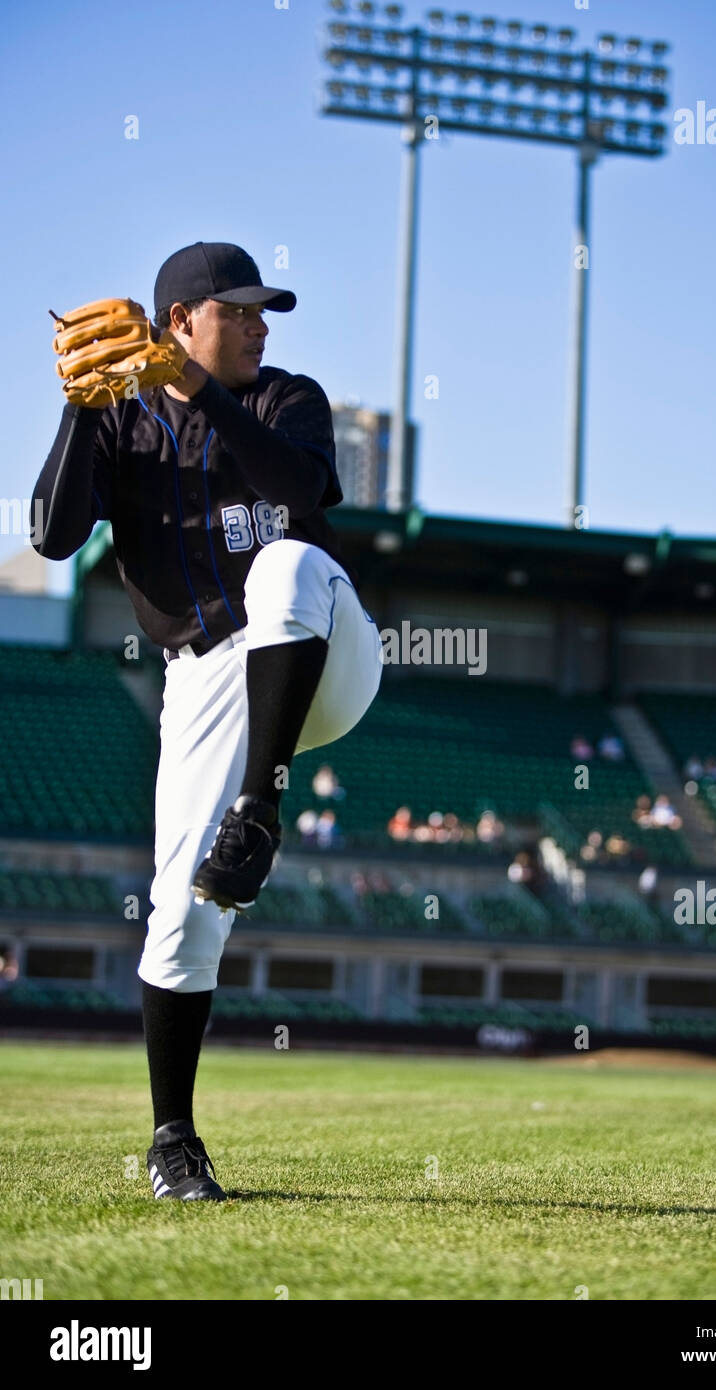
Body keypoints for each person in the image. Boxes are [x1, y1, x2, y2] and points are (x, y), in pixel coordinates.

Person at [31, 243, 383, 1203]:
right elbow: (54, 536)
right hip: (205, 680)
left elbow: (301, 493)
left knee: (287, 565)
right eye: (240, 311)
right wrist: (81, 406)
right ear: (181, 318)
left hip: (326, 653)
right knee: (181, 915)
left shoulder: (283, 398)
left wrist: (202, 387)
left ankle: (261, 811)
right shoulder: (119, 424)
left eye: (263, 311)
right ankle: (173, 1140)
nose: (262, 324)